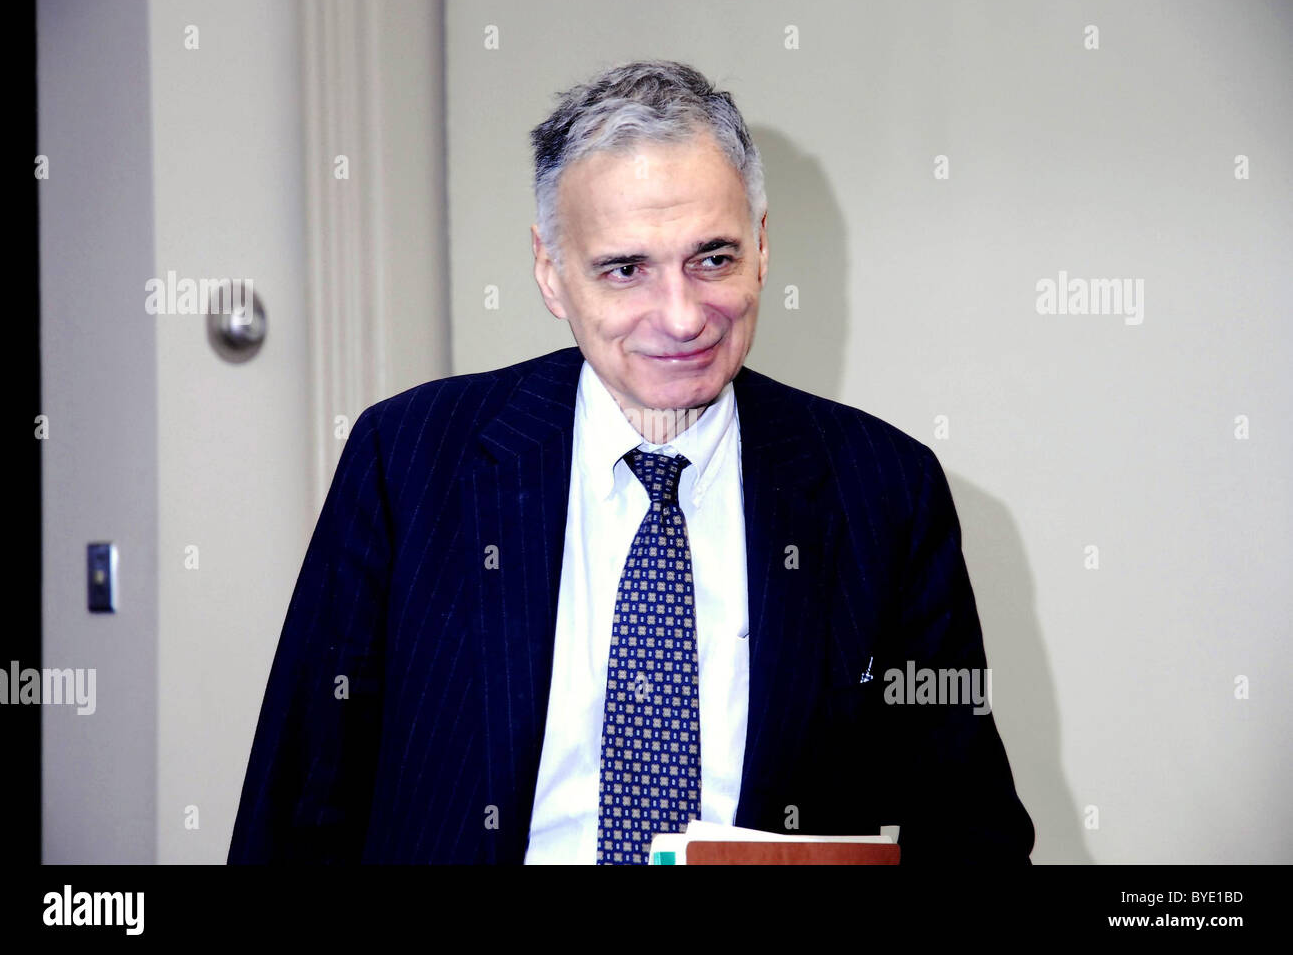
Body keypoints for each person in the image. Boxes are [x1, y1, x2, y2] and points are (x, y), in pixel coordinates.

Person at [228, 59, 1034, 865]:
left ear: (760, 247)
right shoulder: (406, 461)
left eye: (712, 258)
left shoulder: (885, 492)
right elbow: (300, 802)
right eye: (625, 269)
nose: (682, 317)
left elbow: (969, 827)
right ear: (551, 271)